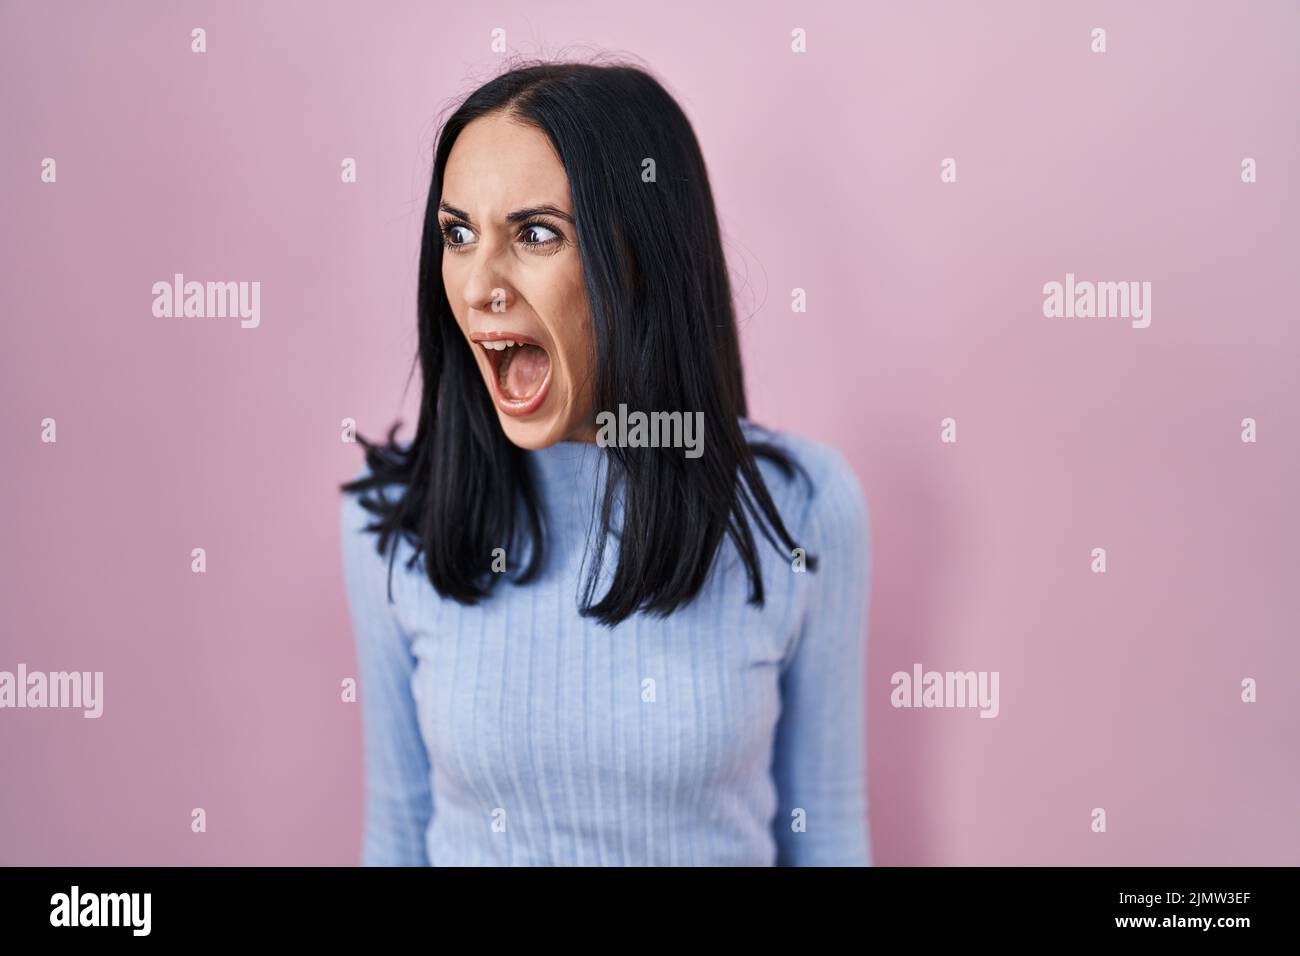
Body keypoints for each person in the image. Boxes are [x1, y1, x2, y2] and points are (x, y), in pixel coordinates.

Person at [340, 61, 872, 866]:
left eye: (536, 234)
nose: (480, 284)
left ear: (639, 259)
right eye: (458, 233)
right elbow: (397, 835)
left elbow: (826, 832)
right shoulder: (391, 525)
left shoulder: (804, 508)